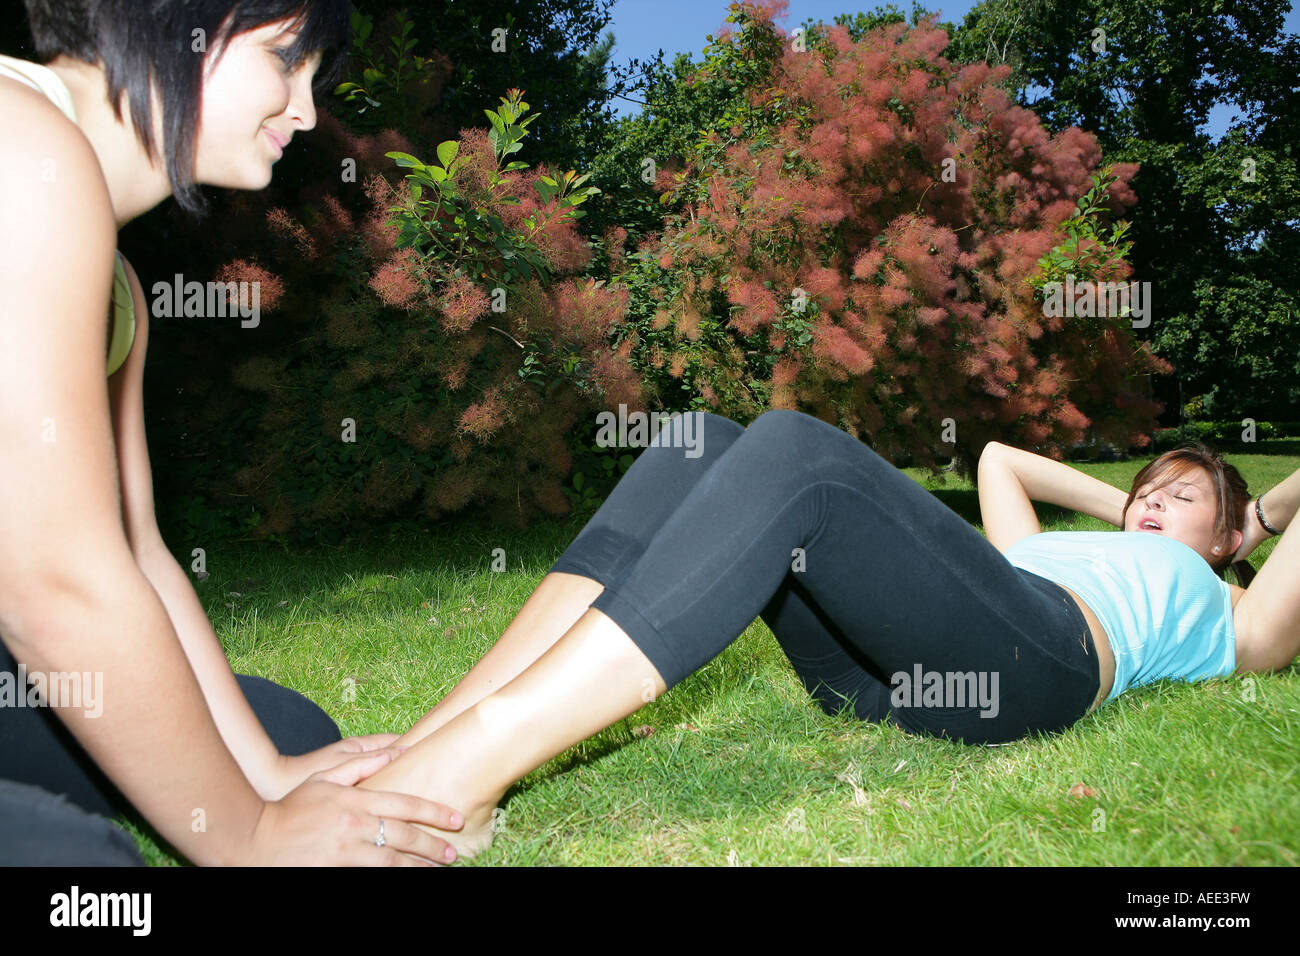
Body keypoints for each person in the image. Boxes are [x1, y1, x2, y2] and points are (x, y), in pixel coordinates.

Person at [348, 409, 1299, 859]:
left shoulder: (1229, 610)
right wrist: (1138, 498)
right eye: (1151, 489)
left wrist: (1241, 526)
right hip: (897, 673)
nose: (1153, 503)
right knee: (700, 438)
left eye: (1183, 502)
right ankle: (438, 733)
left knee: (800, 452)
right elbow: (1001, 460)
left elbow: (1278, 580)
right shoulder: (1073, 543)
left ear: (1225, 540)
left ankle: (455, 781)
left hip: (1034, 666)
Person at [0, 1, 464, 865]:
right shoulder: (20, 151)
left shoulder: (118, 285)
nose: (305, 109)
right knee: (82, 868)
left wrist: (266, 774)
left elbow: (135, 551)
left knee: (289, 728)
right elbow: (52, 585)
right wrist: (248, 838)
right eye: (286, 60)